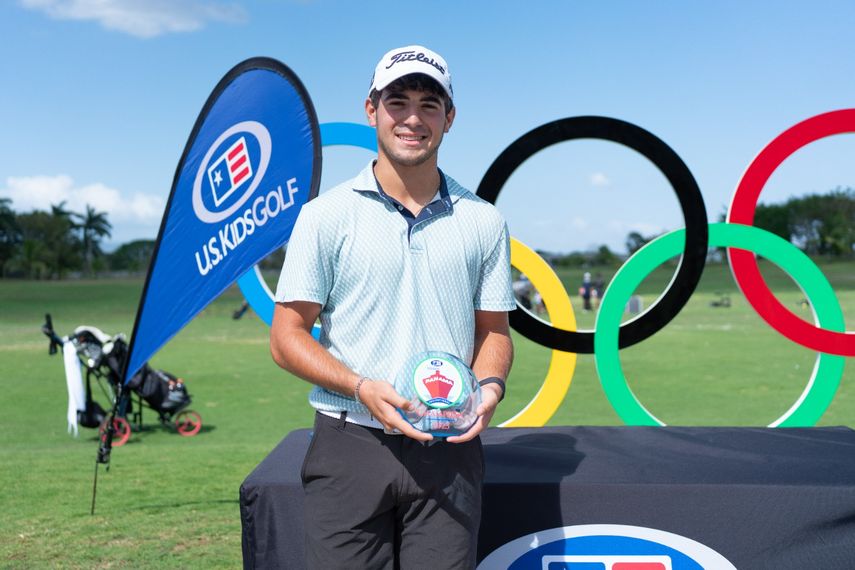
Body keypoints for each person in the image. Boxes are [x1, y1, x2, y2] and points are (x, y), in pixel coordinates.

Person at [269, 45, 515, 569]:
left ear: (449, 117)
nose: (412, 118)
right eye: (397, 101)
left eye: (429, 104)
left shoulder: (484, 220)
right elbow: (287, 337)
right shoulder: (324, 216)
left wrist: (490, 388)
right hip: (349, 441)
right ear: (371, 110)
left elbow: (494, 332)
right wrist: (361, 387)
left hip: (450, 447)